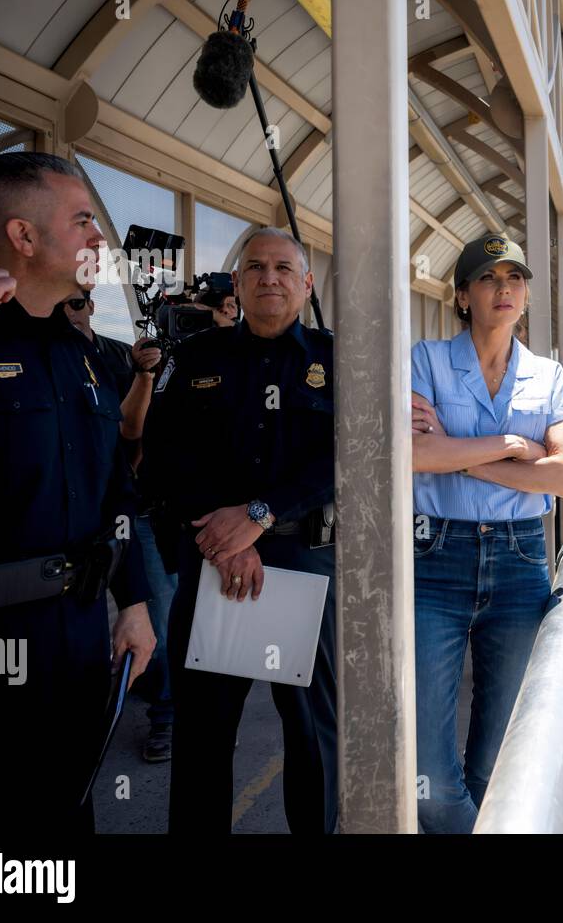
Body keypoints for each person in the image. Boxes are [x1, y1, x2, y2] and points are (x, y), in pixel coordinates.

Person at [0, 152, 155, 832]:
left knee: (64, 817)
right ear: (23, 236)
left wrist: (134, 600)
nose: (98, 238)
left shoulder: (81, 352)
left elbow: (114, 486)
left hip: (80, 636)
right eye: (83, 220)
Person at [142, 227, 336, 833]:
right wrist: (224, 540)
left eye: (283, 268)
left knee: (313, 737)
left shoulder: (340, 358)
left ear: (305, 285)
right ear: (238, 283)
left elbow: (351, 453)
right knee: (202, 736)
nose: (269, 277)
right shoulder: (196, 358)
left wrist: (260, 516)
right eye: (255, 267)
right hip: (214, 564)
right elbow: (162, 458)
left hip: (304, 562)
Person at [410, 233, 563, 833]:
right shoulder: (425, 360)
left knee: (498, 758)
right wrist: (514, 450)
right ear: (463, 295)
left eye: (514, 278)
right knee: (427, 779)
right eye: (488, 278)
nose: (505, 288)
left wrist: (458, 455)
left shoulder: (548, 375)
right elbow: (411, 453)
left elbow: (562, 477)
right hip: (434, 557)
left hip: (518, 564)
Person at [63, 287, 176, 761]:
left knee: (156, 613)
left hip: (134, 507)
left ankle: (166, 713)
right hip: (72, 519)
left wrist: (145, 372)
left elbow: (132, 430)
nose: (67, 309)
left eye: (76, 300)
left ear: (90, 305)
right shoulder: (41, 355)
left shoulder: (114, 355)